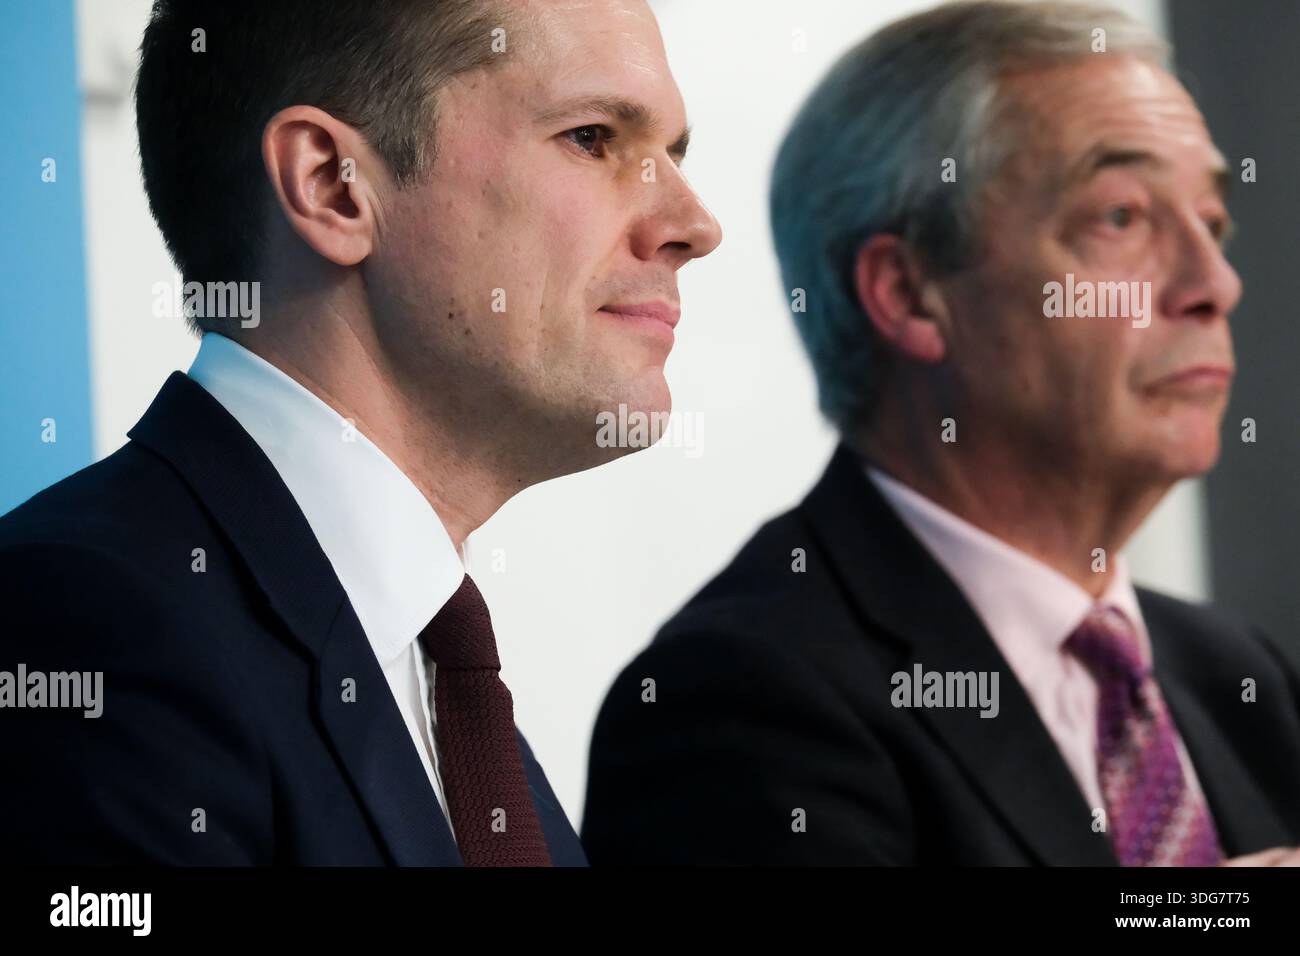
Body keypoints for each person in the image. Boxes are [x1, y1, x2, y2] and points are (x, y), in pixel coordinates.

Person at [0, 0, 720, 865]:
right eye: (594, 138)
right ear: (333, 186)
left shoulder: (439, 680)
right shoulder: (84, 625)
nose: (695, 227)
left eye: (673, 155)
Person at [582, 0, 1300, 866]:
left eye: (1211, 223)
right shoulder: (735, 701)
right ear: (910, 293)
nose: (1214, 283)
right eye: (1122, 217)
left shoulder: (1239, 675)